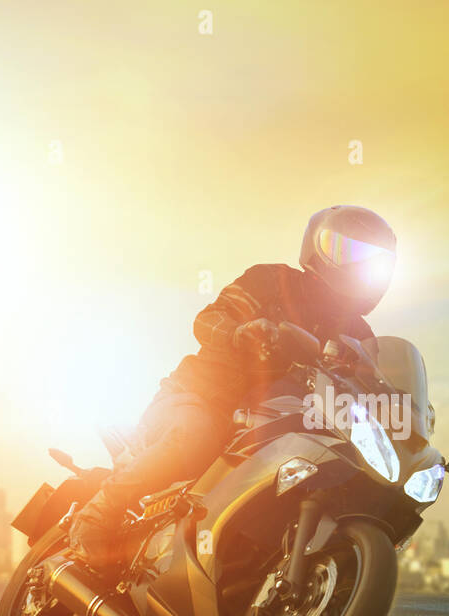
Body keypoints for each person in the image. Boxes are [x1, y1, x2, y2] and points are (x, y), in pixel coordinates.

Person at [67, 205, 397, 569]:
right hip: (197, 399)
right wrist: (240, 333)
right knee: (197, 436)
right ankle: (98, 514)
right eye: (349, 252)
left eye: (371, 262)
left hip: (276, 429)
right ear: (318, 247)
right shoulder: (272, 281)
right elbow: (207, 320)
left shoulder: (361, 337)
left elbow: (371, 387)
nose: (358, 267)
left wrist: (404, 414)